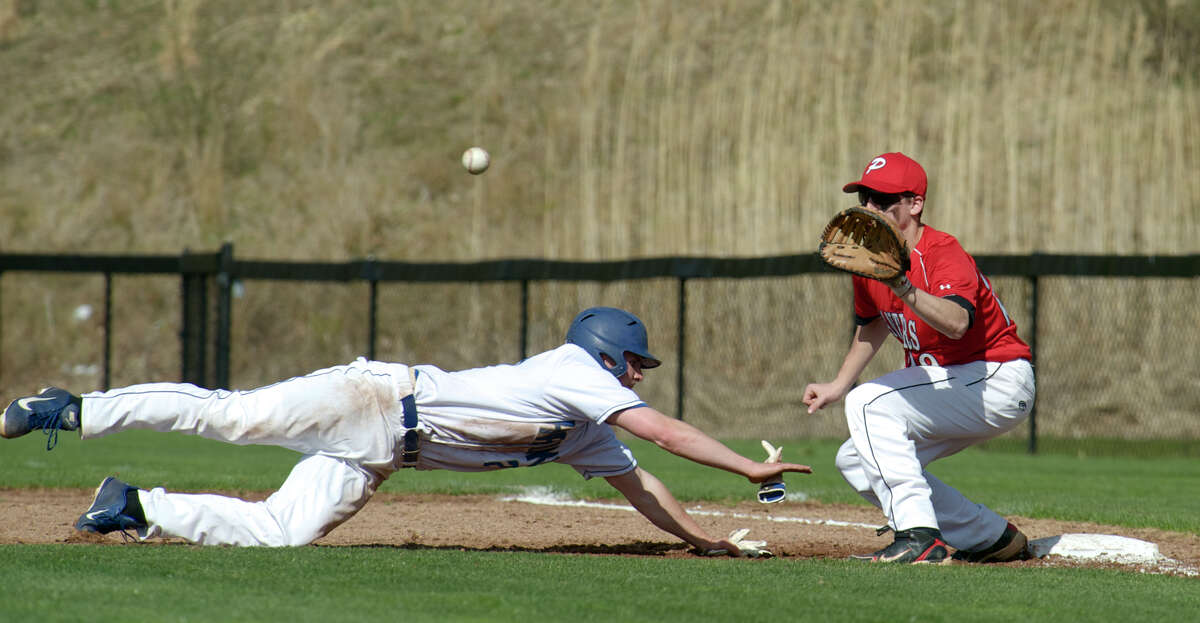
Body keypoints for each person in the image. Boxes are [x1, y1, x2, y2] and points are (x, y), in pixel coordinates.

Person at [3, 306, 810, 554]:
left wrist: (704, 540)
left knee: (284, 534)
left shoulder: (584, 426)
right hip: (375, 401)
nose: (637, 375)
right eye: (634, 362)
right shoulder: (575, 369)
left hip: (385, 452)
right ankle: (73, 408)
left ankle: (136, 505)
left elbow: (644, 482)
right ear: (606, 353)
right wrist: (746, 467)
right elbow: (666, 435)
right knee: (232, 413)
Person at [802, 152, 1036, 564]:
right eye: (865, 197)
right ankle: (991, 538)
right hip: (951, 385)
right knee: (856, 459)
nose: (870, 208)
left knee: (868, 403)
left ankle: (918, 537)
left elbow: (956, 323)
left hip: (995, 378)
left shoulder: (943, 252)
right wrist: (838, 385)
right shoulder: (870, 259)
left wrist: (900, 283)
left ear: (915, 204)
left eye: (882, 198)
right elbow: (873, 324)